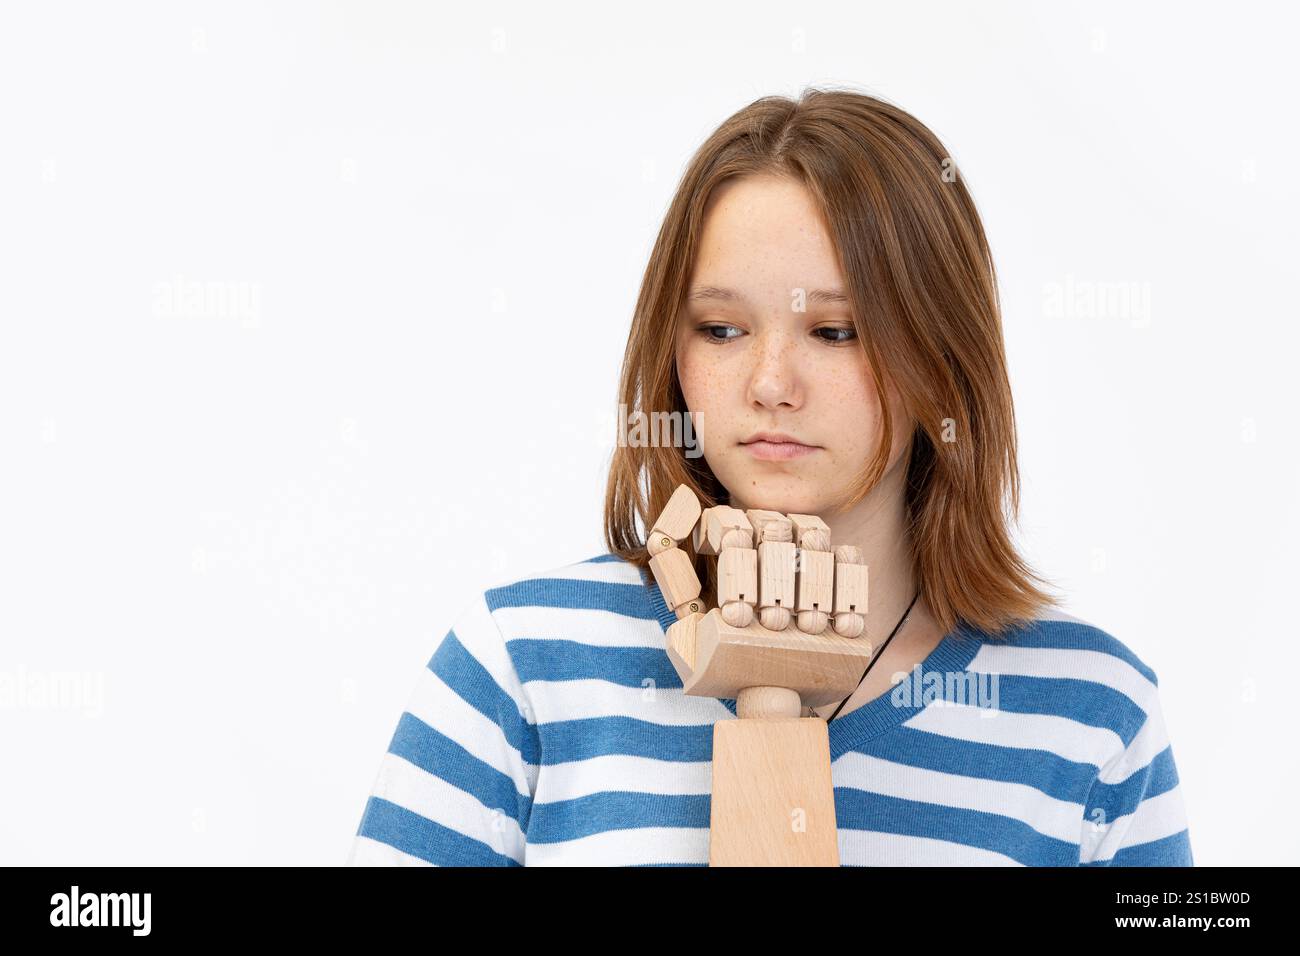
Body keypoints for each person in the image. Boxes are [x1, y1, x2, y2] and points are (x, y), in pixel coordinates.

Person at [347, 87, 1193, 866]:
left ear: (942, 357)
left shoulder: (1092, 712)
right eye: (719, 329)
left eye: (836, 332)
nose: (769, 384)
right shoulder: (521, 666)